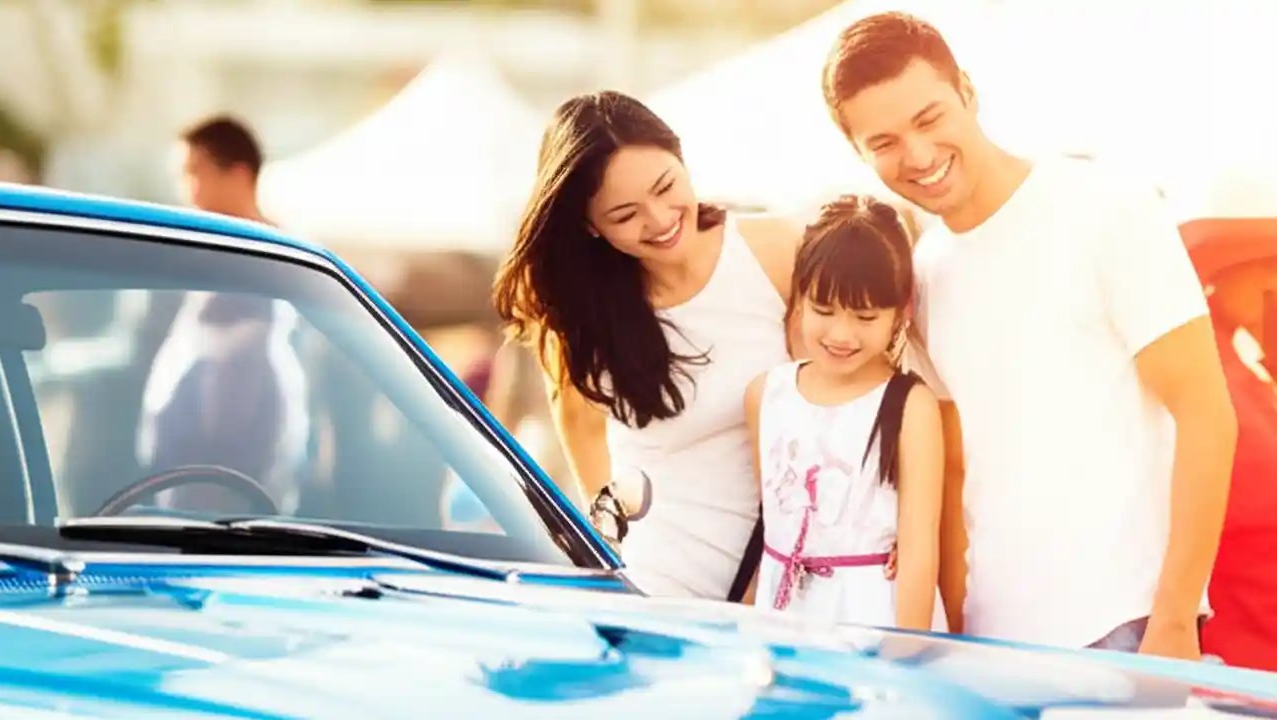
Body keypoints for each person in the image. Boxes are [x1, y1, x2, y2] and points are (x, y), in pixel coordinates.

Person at [821, 12, 1237, 658]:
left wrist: (1176, 618)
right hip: (993, 645)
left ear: (967, 90)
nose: (919, 156)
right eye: (886, 142)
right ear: (859, 153)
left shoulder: (1104, 206)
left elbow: (1206, 413)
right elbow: (957, 473)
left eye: (929, 119)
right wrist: (956, 629)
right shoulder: (925, 271)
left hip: (1123, 627)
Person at [491, 91, 804, 600]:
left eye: (666, 187)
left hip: (789, 577)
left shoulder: (776, 251)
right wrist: (609, 557)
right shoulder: (581, 316)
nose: (659, 219)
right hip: (662, 586)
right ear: (591, 227)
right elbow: (582, 429)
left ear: (681, 158)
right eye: (624, 214)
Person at [744, 194, 945, 632]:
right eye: (823, 309)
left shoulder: (910, 405)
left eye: (865, 316)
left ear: (900, 313)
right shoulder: (767, 394)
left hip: (874, 615)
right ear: (799, 297)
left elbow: (918, 552)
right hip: (783, 616)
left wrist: (905, 653)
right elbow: (772, 525)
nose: (841, 333)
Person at [137, 115, 309, 514]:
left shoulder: (288, 264)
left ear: (238, 174)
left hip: (248, 477)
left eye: (196, 173)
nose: (188, 191)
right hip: (180, 474)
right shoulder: (191, 259)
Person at [1181, 218, 1277, 672]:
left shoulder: (1254, 364)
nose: (1272, 280)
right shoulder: (1207, 372)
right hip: (1240, 655)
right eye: (1262, 265)